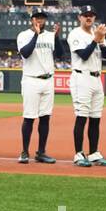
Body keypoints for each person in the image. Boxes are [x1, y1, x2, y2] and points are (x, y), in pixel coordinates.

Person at [16, 8, 65, 164]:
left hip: (48, 80)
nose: (40, 20)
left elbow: (61, 55)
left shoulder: (50, 36)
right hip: (31, 79)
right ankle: (24, 152)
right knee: (29, 117)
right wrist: (36, 35)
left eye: (42, 18)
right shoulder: (24, 35)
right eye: (37, 18)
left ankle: (41, 152)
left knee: (45, 118)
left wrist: (57, 37)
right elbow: (25, 53)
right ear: (32, 20)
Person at [67, 6, 106, 168]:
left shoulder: (97, 32)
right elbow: (84, 55)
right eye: (86, 15)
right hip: (82, 77)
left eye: (91, 15)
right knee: (81, 116)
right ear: (80, 17)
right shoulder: (75, 34)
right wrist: (96, 39)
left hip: (96, 78)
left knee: (95, 118)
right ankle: (78, 154)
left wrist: (102, 40)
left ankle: (93, 153)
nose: (89, 18)